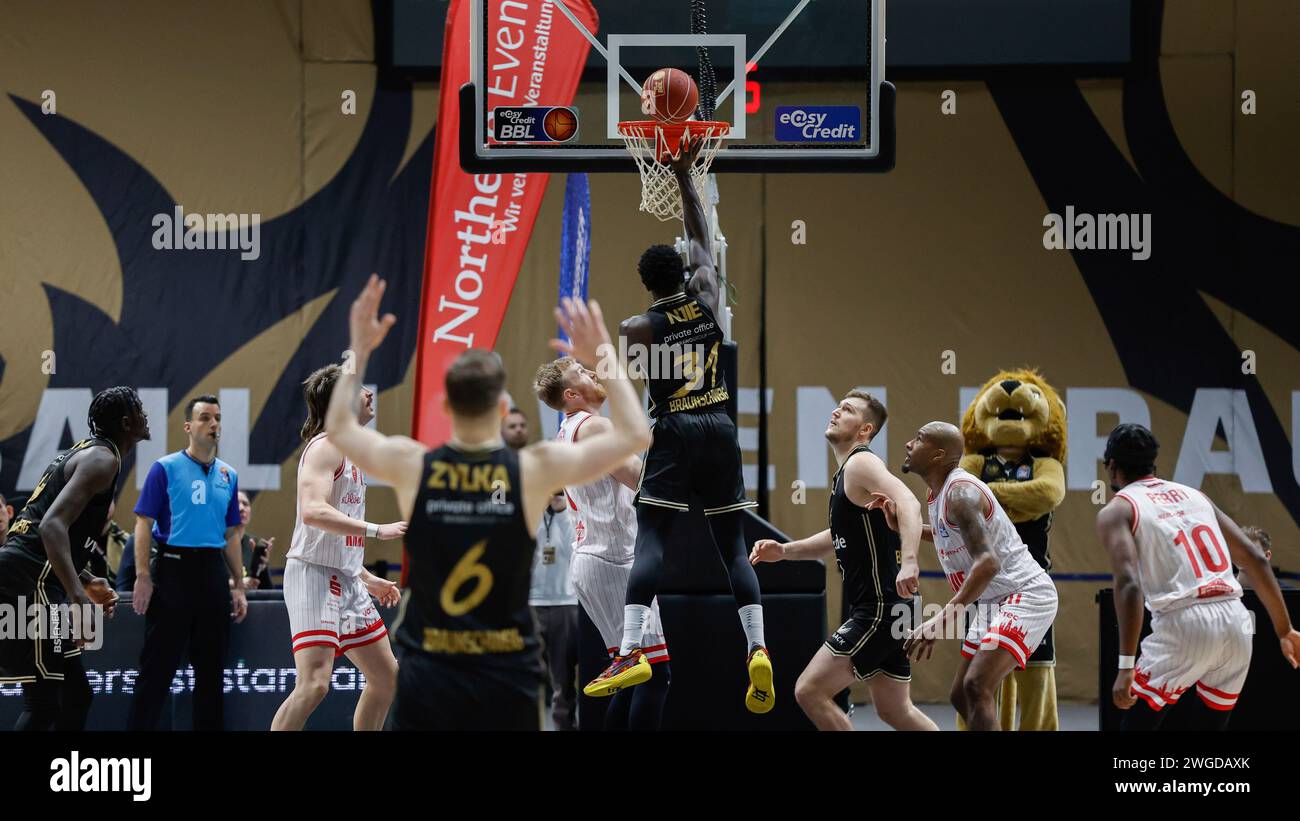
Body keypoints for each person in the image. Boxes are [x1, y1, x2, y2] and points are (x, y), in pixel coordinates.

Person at [322, 276, 649, 730]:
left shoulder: (412, 464)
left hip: (431, 663)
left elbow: (337, 428)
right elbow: (636, 436)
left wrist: (358, 348)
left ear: (447, 406)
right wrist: (605, 358)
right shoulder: (534, 469)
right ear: (502, 409)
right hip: (507, 667)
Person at [586, 142, 772, 714]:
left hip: (673, 426)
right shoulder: (711, 298)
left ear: (645, 281)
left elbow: (634, 385)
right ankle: (757, 648)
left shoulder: (635, 326)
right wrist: (686, 175)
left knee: (652, 542)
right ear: (685, 273)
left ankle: (632, 648)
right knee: (734, 550)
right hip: (720, 425)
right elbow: (698, 242)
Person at [750, 393, 936, 731]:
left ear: (865, 429)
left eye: (847, 409)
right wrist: (784, 551)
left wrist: (910, 560)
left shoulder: (861, 463)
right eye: (839, 406)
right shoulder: (848, 475)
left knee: (809, 691)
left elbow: (907, 500)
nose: (836, 410)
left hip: (879, 608)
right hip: (895, 607)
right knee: (896, 710)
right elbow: (836, 535)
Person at [1095, 424, 1300, 730]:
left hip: (1184, 624)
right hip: (1236, 621)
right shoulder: (1195, 496)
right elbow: (1255, 559)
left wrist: (1126, 664)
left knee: (1134, 725)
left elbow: (1129, 583)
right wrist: (1285, 630)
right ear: (1154, 462)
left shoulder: (1117, 509)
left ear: (1111, 466)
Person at [534, 356, 672, 730]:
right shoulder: (594, 427)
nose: (592, 372)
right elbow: (638, 479)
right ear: (572, 394)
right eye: (581, 371)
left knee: (633, 676)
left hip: (601, 557)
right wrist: (676, 454)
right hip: (611, 558)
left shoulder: (569, 429)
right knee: (652, 674)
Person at [895, 421, 1059, 731]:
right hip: (993, 600)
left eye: (918, 439)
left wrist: (940, 620)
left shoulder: (961, 494)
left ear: (938, 455)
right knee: (961, 695)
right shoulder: (939, 494)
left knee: (976, 686)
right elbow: (947, 532)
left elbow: (988, 563)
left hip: (1024, 594)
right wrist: (905, 528)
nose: (908, 444)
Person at [0, 387, 148, 730]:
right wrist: (79, 599)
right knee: (43, 703)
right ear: (127, 423)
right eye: (140, 408)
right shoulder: (104, 460)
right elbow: (51, 527)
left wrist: (86, 579)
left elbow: (42, 530)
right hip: (29, 581)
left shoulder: (89, 452)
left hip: (33, 576)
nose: (146, 414)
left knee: (77, 694)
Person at [270, 366, 404, 731]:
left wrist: (365, 576)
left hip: (346, 578)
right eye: (360, 389)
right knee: (313, 684)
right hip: (312, 574)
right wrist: (378, 530)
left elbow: (335, 537)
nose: (369, 394)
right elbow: (313, 512)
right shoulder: (325, 446)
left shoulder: (351, 452)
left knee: (386, 677)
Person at [128, 394, 249, 730]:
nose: (213, 424)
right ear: (188, 426)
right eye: (205, 418)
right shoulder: (165, 468)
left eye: (217, 418)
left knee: (211, 673)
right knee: (157, 670)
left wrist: (238, 585)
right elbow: (143, 522)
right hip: (172, 572)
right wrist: (143, 576)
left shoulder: (228, 474)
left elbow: (231, 536)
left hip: (211, 573)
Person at [530, 490, 580, 731]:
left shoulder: (572, 510)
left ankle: (565, 727)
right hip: (532, 601)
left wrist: (561, 509)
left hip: (566, 602)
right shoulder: (530, 510)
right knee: (529, 676)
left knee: (563, 680)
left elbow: (576, 550)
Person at [233, 490, 274, 590]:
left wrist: (262, 568)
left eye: (245, 504)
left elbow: (267, 591)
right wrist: (236, 583)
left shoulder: (255, 543)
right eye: (235, 503)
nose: (241, 508)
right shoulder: (216, 542)